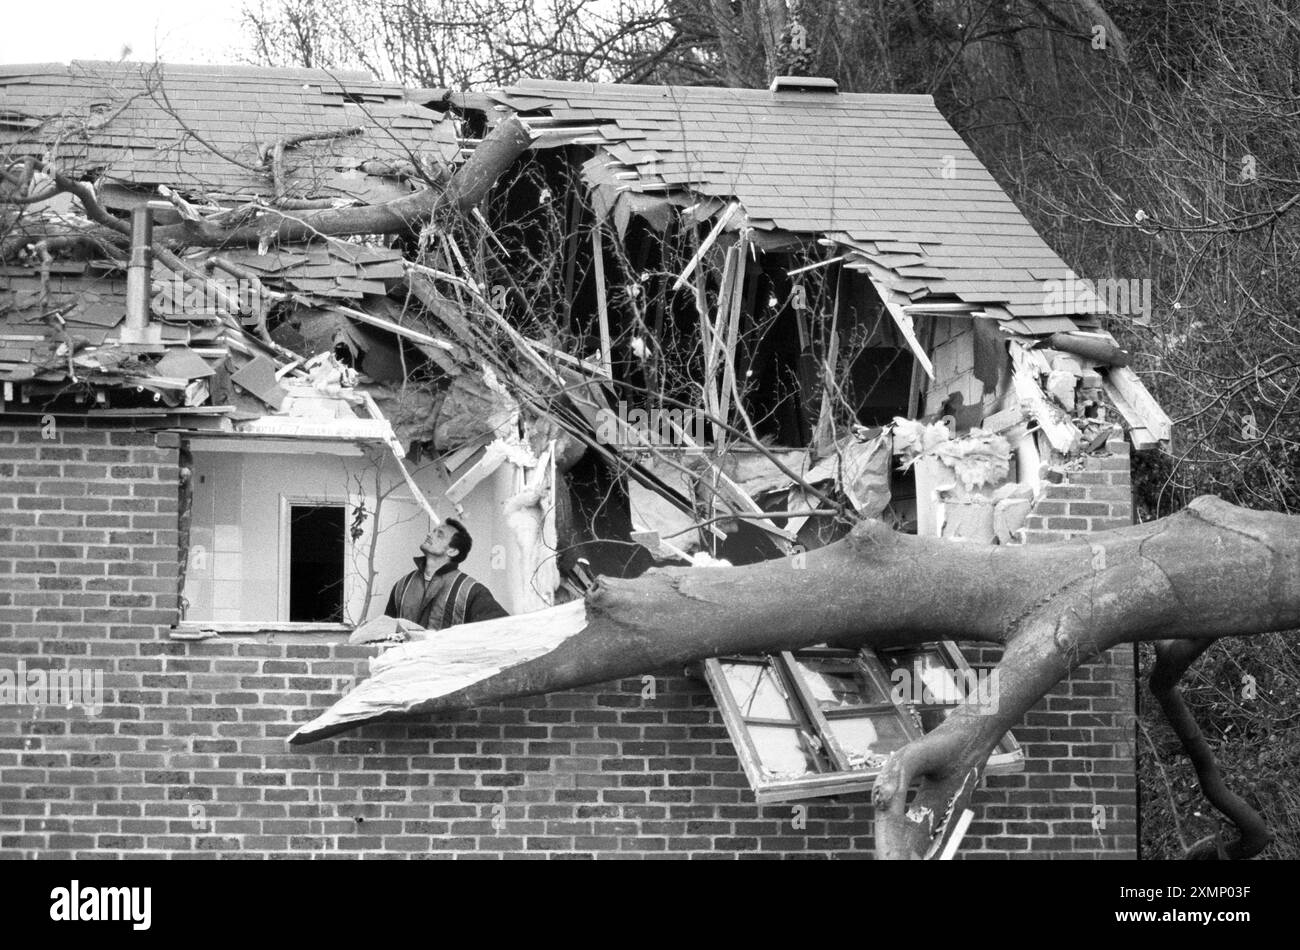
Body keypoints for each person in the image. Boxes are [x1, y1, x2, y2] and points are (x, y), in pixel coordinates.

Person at [384, 519, 508, 629]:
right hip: (404, 655)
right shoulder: (402, 585)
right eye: (433, 531)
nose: (429, 535)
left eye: (440, 535)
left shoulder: (471, 591)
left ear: (452, 551)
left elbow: (501, 630)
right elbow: (385, 631)